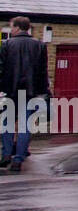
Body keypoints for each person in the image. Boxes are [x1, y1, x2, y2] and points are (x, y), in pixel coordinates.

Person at [0, 17, 51, 173]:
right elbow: (42, 72)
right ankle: (18, 160)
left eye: (11, 27)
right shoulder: (40, 46)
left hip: (10, 91)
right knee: (24, 127)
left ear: (17, 28)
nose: (11, 30)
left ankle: (6, 155)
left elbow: (1, 69)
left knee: (6, 124)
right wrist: (43, 91)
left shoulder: (7, 44)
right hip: (30, 93)